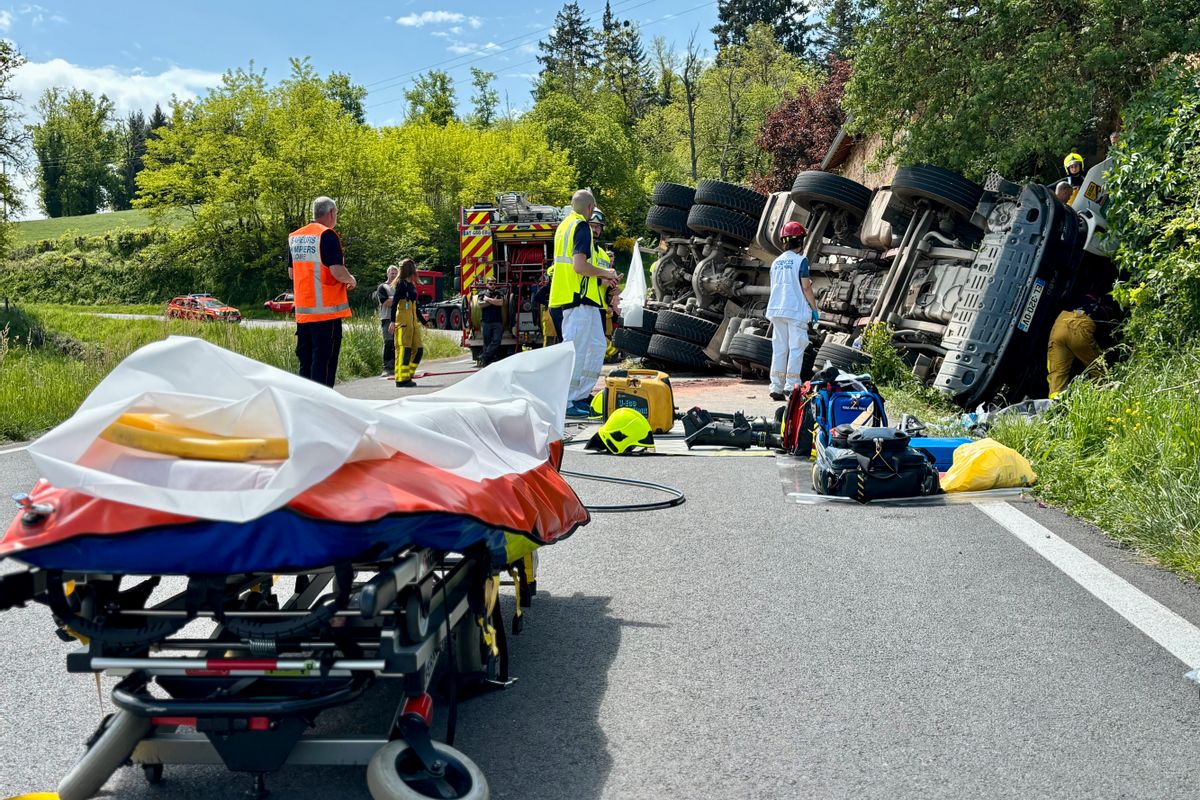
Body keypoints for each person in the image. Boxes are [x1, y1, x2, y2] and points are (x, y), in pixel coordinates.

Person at [549, 190, 618, 417]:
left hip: (578, 299)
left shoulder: (564, 226)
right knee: (577, 351)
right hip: (576, 299)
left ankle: (580, 395)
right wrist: (606, 272)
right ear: (590, 208)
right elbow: (579, 266)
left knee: (597, 346)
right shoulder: (581, 227)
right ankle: (568, 400)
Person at [288, 196, 355, 387]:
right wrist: (351, 280)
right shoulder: (327, 235)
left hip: (303, 314)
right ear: (332, 213)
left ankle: (305, 405)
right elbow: (337, 271)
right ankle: (323, 407)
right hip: (326, 313)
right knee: (324, 363)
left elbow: (292, 273)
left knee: (306, 362)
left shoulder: (295, 237)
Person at [766, 220, 819, 402]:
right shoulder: (801, 261)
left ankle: (776, 387)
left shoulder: (776, 262)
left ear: (784, 241)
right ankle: (791, 386)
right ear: (801, 241)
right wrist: (814, 309)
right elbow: (805, 287)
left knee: (779, 348)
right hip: (795, 310)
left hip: (776, 309)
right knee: (796, 348)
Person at [388, 258, 427, 387]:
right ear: (411, 269)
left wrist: (423, 321)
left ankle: (407, 375)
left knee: (418, 350)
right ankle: (401, 379)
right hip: (403, 322)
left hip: (413, 322)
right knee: (404, 350)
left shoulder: (411, 285)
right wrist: (392, 322)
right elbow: (394, 304)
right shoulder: (401, 284)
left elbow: (415, 307)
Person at [477, 275, 506, 366]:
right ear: (487, 284)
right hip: (486, 322)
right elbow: (480, 304)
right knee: (487, 342)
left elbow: (501, 303)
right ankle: (486, 362)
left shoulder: (499, 293)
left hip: (497, 321)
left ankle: (484, 356)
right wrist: (494, 301)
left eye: (494, 284)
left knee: (497, 340)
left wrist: (488, 300)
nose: (492, 285)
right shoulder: (482, 293)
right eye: (490, 284)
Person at [376, 264, 399, 378]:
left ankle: (398, 366)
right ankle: (387, 368)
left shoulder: (400, 286)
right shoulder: (382, 287)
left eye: (395, 273)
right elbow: (386, 302)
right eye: (392, 273)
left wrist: (393, 299)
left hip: (400, 318)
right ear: (387, 274)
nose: (394, 275)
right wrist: (398, 299)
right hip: (387, 318)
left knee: (399, 343)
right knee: (389, 342)